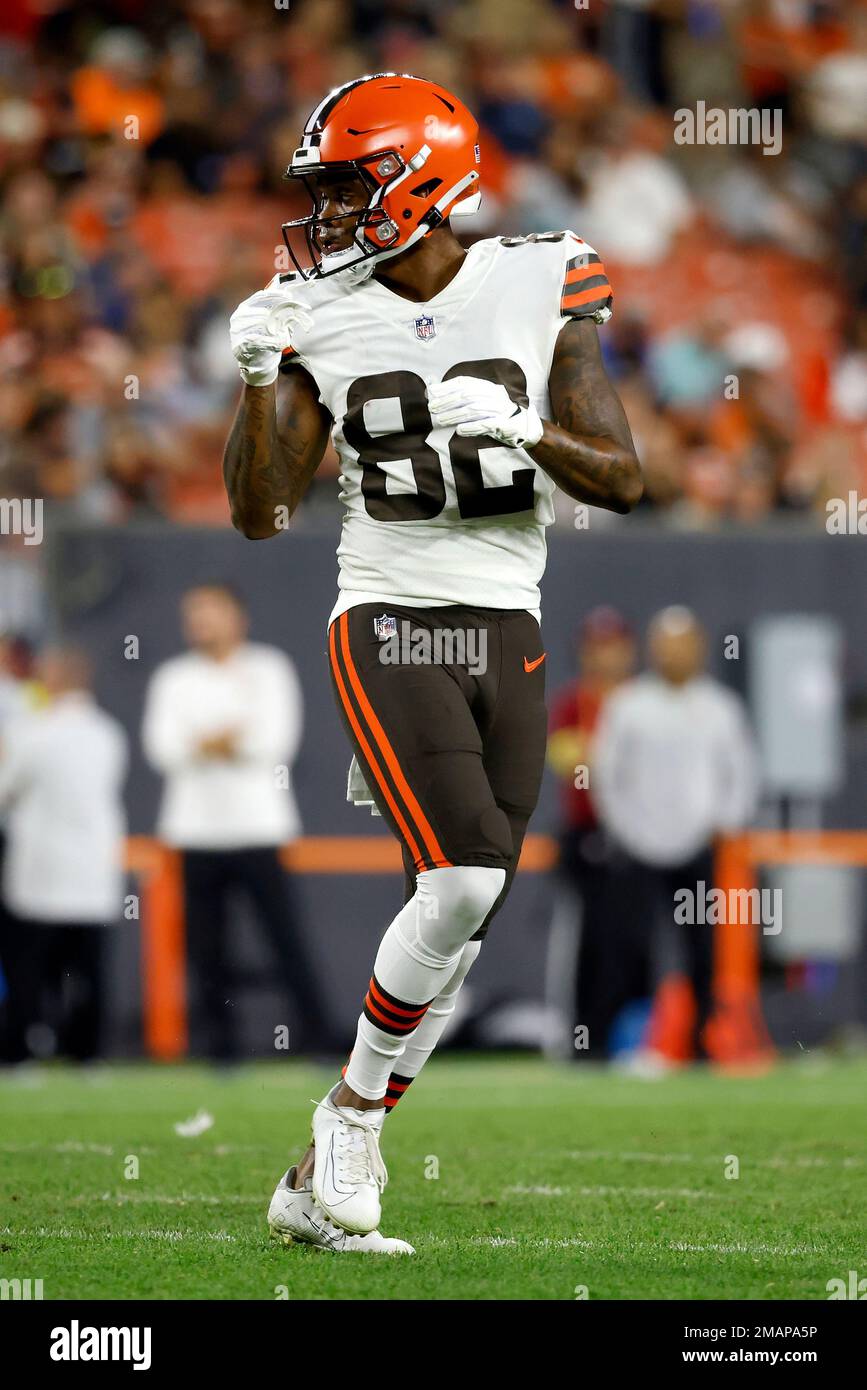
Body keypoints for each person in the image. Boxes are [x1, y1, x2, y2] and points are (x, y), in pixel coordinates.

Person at [223, 72, 642, 1255]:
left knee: (462, 908)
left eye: (352, 183)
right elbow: (261, 511)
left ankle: (313, 1173)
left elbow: (619, 474)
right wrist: (258, 384)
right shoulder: (316, 308)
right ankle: (353, 1117)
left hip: (509, 618)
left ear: (422, 175)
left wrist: (524, 430)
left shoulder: (542, 273)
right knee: (459, 883)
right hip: (391, 608)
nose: (335, 212)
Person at [142, 582, 330, 1061]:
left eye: (210, 611)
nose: (201, 621)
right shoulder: (173, 678)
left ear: (237, 617)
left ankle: (319, 1040)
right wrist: (223, 740)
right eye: (194, 612)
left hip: (259, 829)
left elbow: (276, 742)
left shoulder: (269, 669)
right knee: (206, 948)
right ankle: (220, 1050)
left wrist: (210, 744)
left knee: (286, 938)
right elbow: (162, 748)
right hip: (193, 832)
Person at [592, 606, 758, 1064]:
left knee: (701, 951)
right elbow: (607, 775)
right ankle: (628, 1044)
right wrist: (626, 831)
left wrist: (723, 826)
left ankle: (701, 1042)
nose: (673, 655)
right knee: (630, 948)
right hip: (638, 849)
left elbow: (739, 773)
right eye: (665, 646)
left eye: (681, 646)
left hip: (697, 847)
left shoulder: (720, 707)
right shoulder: (628, 705)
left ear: (698, 649)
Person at [0, 647, 127, 1062]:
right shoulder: (109, 733)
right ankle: (87, 1054)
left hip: (40, 872)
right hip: (90, 872)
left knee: (29, 970)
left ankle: (23, 1049)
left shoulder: (29, 733)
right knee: (87, 970)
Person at [545, 606, 637, 1059]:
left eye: (613, 646)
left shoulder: (642, 700)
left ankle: (638, 1037)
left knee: (636, 942)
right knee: (588, 941)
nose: (605, 656)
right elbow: (571, 763)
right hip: (589, 835)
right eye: (596, 647)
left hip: (642, 839)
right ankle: (584, 1040)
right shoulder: (573, 702)